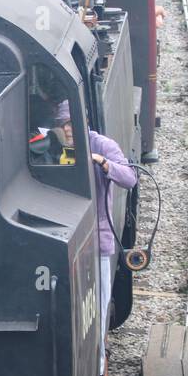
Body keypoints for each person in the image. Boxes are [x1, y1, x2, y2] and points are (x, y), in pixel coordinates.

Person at [52, 101, 137, 357]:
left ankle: (97, 364)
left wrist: (102, 163)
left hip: (98, 241)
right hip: (62, 240)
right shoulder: (51, 144)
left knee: (98, 307)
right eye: (63, 125)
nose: (67, 130)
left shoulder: (102, 145)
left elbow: (130, 178)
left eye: (70, 124)